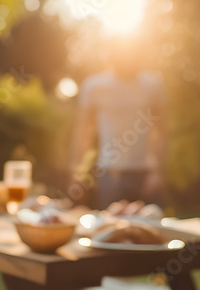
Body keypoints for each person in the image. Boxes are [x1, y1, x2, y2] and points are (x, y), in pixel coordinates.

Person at [71, 39, 167, 208]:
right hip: (108, 172)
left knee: (149, 229)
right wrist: (78, 174)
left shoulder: (152, 85)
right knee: (110, 228)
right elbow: (84, 132)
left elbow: (161, 131)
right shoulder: (94, 86)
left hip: (144, 173)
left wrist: (158, 172)